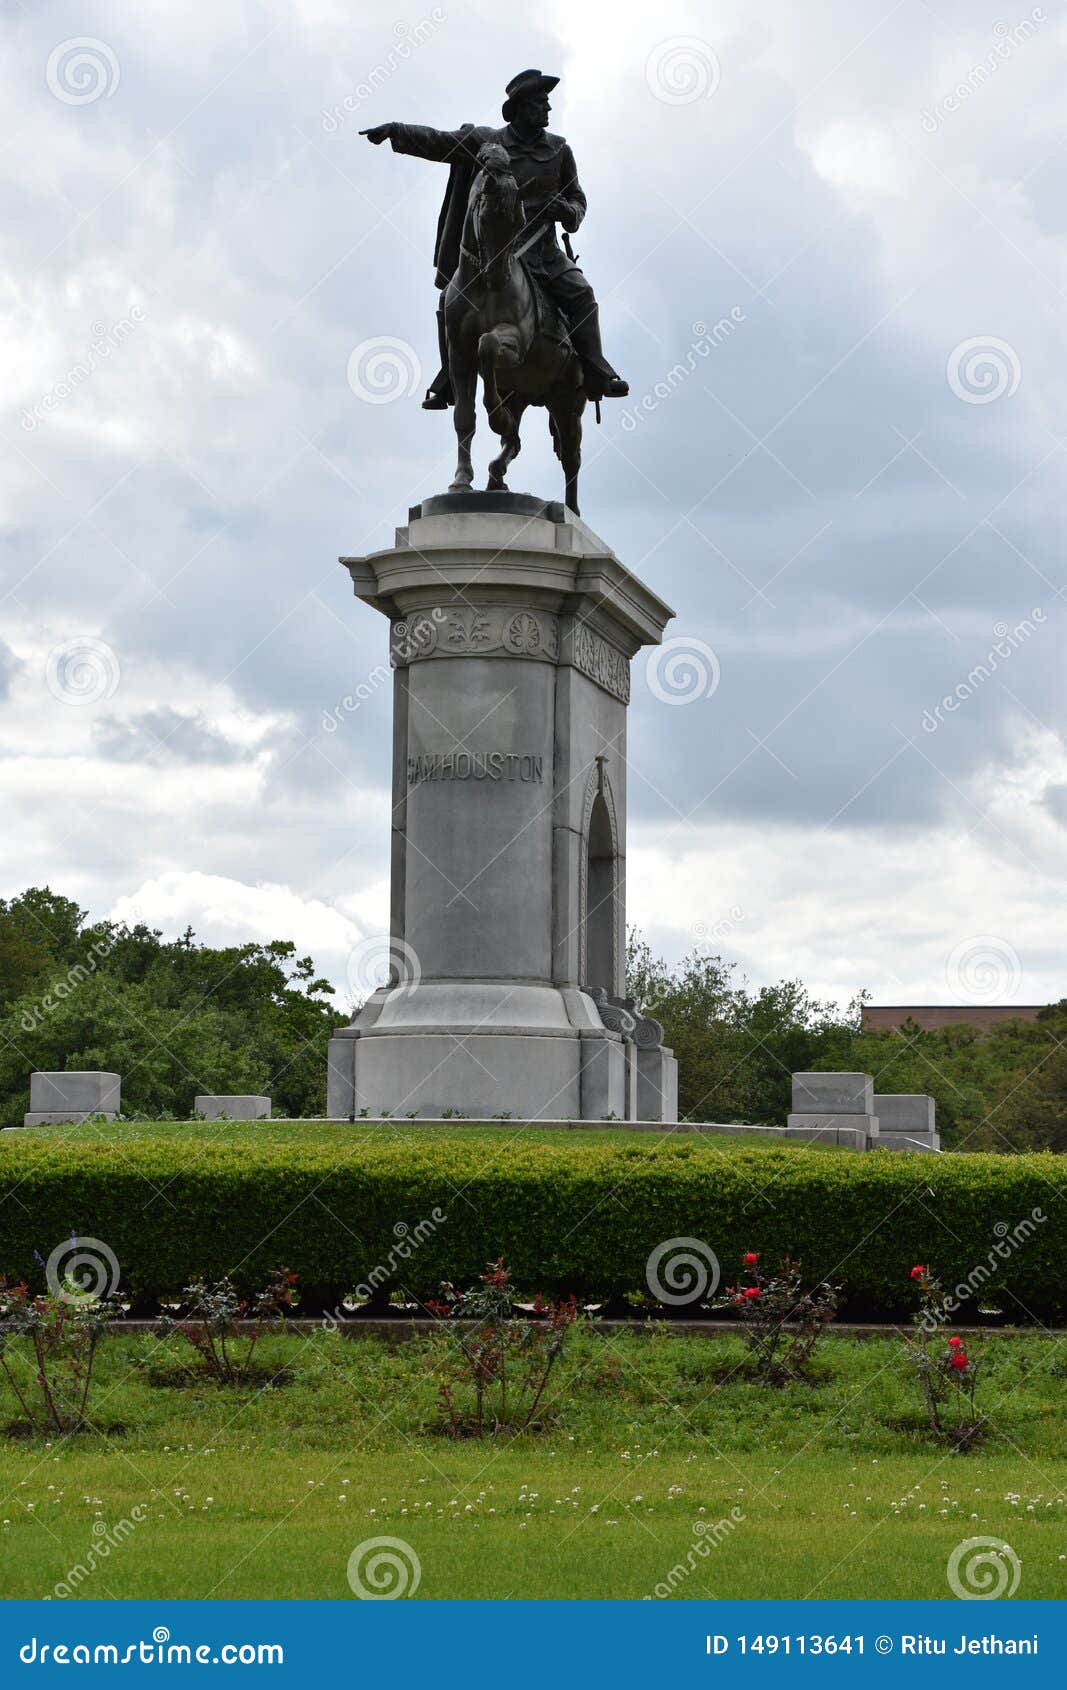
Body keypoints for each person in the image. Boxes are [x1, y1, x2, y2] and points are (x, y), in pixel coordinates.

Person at [361, 68, 629, 409]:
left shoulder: (560, 150)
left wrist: (563, 208)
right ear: (521, 107)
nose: (547, 110)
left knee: (583, 293)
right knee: (448, 301)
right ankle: (449, 380)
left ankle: (596, 370)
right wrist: (396, 131)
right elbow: (439, 142)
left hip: (544, 252)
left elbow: (578, 200)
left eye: (548, 103)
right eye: (540, 103)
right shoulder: (488, 142)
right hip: (494, 250)